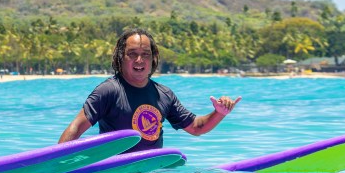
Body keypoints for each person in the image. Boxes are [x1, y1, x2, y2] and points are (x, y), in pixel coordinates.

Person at [59, 28, 241, 152]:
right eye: (132, 54)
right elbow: (76, 127)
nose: (139, 60)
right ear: (121, 57)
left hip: (151, 172)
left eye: (145, 54)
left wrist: (219, 113)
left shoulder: (164, 95)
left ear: (153, 59)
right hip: (114, 172)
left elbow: (196, 127)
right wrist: (53, 164)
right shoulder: (109, 90)